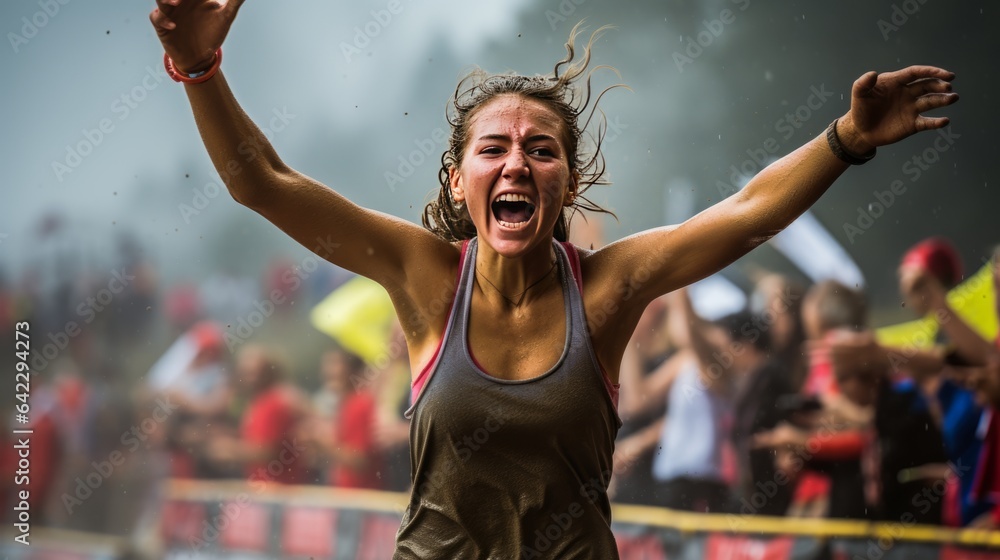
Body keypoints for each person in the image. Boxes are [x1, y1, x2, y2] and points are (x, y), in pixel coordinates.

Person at [149, 1, 959, 556]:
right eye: (492, 148)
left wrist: (847, 138)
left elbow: (748, 211)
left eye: (541, 149)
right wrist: (200, 67)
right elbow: (262, 181)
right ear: (460, 181)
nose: (517, 162)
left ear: (567, 183)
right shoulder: (423, 272)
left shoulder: (607, 289)